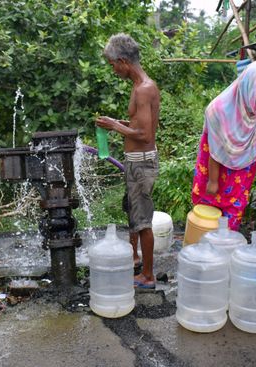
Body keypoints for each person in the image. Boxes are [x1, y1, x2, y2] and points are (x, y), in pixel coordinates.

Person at [96, 33, 160, 289]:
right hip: (136, 161)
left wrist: (113, 126)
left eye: (113, 65)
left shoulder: (144, 89)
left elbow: (145, 134)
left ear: (122, 61)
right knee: (132, 210)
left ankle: (148, 275)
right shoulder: (140, 86)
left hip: (142, 163)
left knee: (142, 219)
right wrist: (117, 123)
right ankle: (135, 258)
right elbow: (137, 125)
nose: (113, 70)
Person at [192, 61, 256, 230]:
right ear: (246, 87)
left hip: (241, 172)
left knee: (233, 214)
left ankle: (226, 250)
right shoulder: (218, 109)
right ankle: (203, 252)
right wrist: (213, 180)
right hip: (214, 169)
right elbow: (214, 148)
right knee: (207, 214)